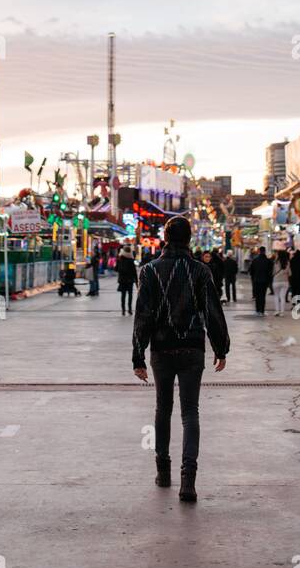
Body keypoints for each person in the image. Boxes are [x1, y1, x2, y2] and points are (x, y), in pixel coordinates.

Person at [132, 216, 229, 504]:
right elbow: (212, 311)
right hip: (192, 349)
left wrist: (138, 354)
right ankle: (189, 480)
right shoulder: (201, 270)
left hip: (161, 350)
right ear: (190, 239)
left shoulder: (149, 271)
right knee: (190, 412)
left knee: (163, 408)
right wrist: (220, 348)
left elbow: (143, 316)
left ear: (165, 236)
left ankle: (163, 472)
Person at [116, 245, 139, 315]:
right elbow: (134, 272)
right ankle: (130, 309)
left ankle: (123, 310)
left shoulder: (120, 259)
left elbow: (116, 269)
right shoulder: (131, 261)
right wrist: (137, 282)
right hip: (130, 280)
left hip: (122, 280)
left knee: (123, 295)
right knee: (130, 295)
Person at [249, 245, 272, 315]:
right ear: (265, 251)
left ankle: (257, 310)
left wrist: (253, 277)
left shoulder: (255, 260)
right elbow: (270, 271)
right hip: (265, 281)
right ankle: (262, 311)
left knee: (257, 296)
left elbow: (251, 270)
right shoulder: (268, 261)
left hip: (256, 280)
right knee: (263, 296)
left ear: (259, 251)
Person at [271, 249, 290, 316]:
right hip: (285, 282)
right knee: (283, 297)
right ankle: (282, 312)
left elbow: (273, 272)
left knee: (276, 296)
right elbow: (290, 273)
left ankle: (277, 311)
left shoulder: (276, 262)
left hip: (276, 281)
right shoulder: (287, 263)